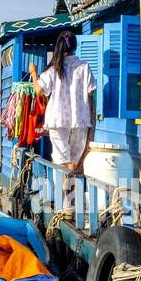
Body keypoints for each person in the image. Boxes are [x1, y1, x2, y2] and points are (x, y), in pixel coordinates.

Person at [29, 30, 95, 174]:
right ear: (75, 47)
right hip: (80, 120)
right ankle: (70, 195)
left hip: (58, 120)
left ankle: (64, 195)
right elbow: (90, 94)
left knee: (61, 160)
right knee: (74, 160)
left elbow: (39, 90)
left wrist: (33, 73)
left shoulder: (54, 69)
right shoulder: (84, 67)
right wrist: (92, 121)